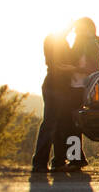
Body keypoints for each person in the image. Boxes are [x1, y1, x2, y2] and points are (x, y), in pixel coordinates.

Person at [30, 27, 79, 172]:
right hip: (55, 86)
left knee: (61, 124)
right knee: (52, 123)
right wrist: (73, 69)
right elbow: (55, 65)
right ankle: (40, 162)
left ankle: (58, 161)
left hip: (60, 86)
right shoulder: (53, 41)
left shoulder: (60, 41)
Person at [60, 17, 99, 169]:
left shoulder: (92, 44)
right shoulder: (80, 43)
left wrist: (72, 69)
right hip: (73, 87)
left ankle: (76, 160)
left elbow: (94, 69)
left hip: (81, 88)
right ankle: (76, 158)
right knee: (70, 125)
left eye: (79, 28)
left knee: (73, 125)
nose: (77, 31)